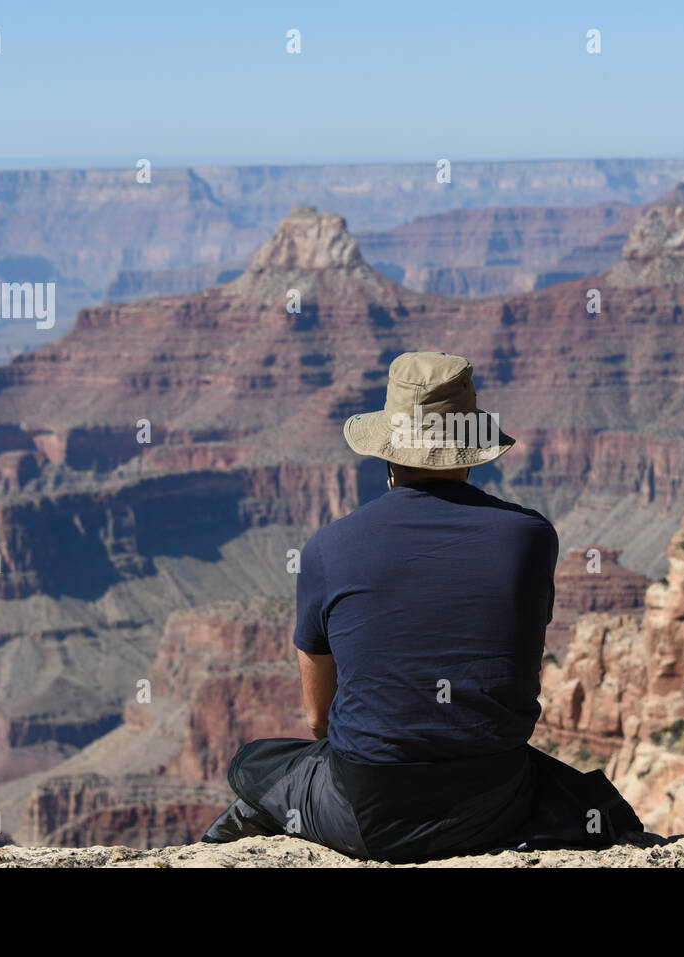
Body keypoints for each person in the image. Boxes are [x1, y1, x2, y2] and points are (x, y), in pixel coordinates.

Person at [202, 351, 642, 862]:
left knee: (258, 762)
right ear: (472, 450)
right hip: (495, 799)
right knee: (588, 796)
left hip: (366, 810)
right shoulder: (532, 537)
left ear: (386, 452)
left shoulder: (326, 548)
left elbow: (318, 718)